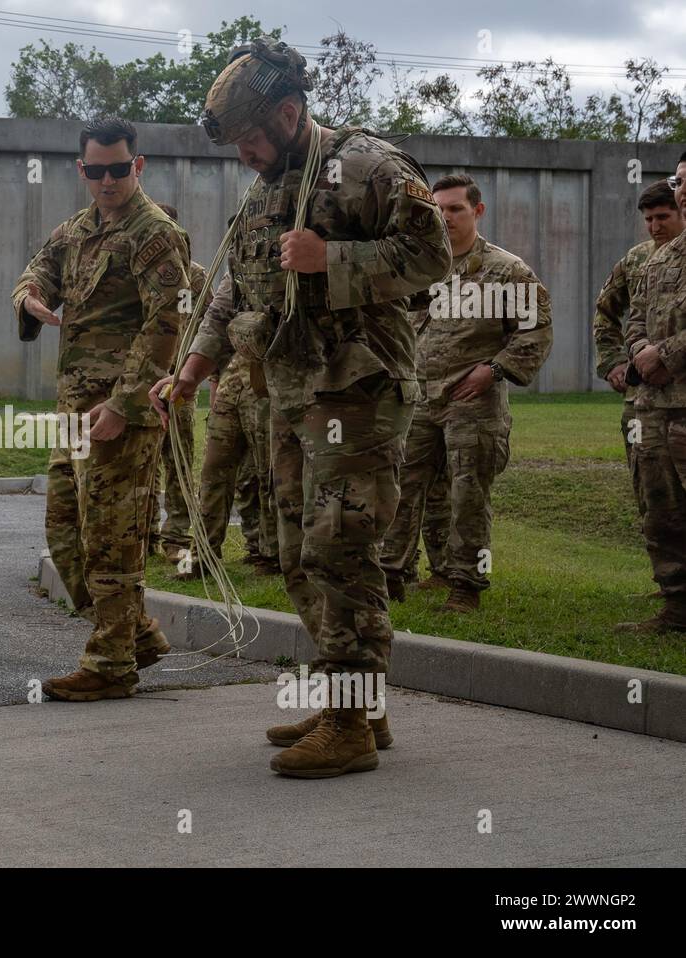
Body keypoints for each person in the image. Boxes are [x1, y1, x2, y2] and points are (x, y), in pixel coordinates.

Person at [152, 39, 452, 777]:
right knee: (295, 556)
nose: (246, 154)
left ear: (290, 112)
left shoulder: (368, 166)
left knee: (340, 551)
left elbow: (435, 257)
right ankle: (355, 702)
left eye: (253, 137)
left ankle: (349, 725)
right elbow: (236, 289)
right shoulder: (265, 185)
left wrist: (335, 259)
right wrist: (192, 369)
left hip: (358, 392)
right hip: (284, 396)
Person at [13, 116, 192, 701]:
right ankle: (134, 632)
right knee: (65, 531)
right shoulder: (77, 229)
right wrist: (30, 297)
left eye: (119, 169)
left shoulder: (155, 233)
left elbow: (168, 323)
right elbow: (41, 268)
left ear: (137, 166)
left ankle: (111, 664)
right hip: (75, 412)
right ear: (81, 169)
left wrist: (123, 403)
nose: (108, 180)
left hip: (122, 414)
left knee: (112, 535)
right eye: (97, 170)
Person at [379, 173, 553, 612]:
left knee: (468, 495)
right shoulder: (422, 270)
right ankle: (393, 574)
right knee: (402, 488)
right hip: (419, 398)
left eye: (454, 209)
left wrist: (493, 370)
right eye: (436, 210)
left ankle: (465, 585)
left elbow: (535, 333)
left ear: (477, 211)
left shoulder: (506, 270)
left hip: (473, 401)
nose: (444, 218)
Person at [620, 150, 686, 635]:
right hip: (656, 409)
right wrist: (642, 350)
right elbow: (633, 312)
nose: (681, 189)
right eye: (679, 181)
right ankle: (677, 610)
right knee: (661, 514)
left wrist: (668, 354)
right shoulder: (662, 257)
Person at [593, 179, 684, 524]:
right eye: (648, 219)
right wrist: (613, 361)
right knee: (650, 490)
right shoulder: (638, 259)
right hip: (642, 395)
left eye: (663, 217)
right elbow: (606, 310)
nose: (655, 226)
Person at [192, 275, 280, 574]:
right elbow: (215, 319)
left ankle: (270, 556)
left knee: (270, 474)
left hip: (272, 379)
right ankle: (202, 555)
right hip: (234, 379)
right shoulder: (238, 266)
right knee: (213, 470)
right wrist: (203, 377)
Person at [147, 202, 211, 564]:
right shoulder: (136, 274)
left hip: (178, 383)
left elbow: (212, 326)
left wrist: (198, 371)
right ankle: (144, 533)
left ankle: (176, 536)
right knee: (143, 459)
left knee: (179, 458)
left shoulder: (195, 276)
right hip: (141, 382)